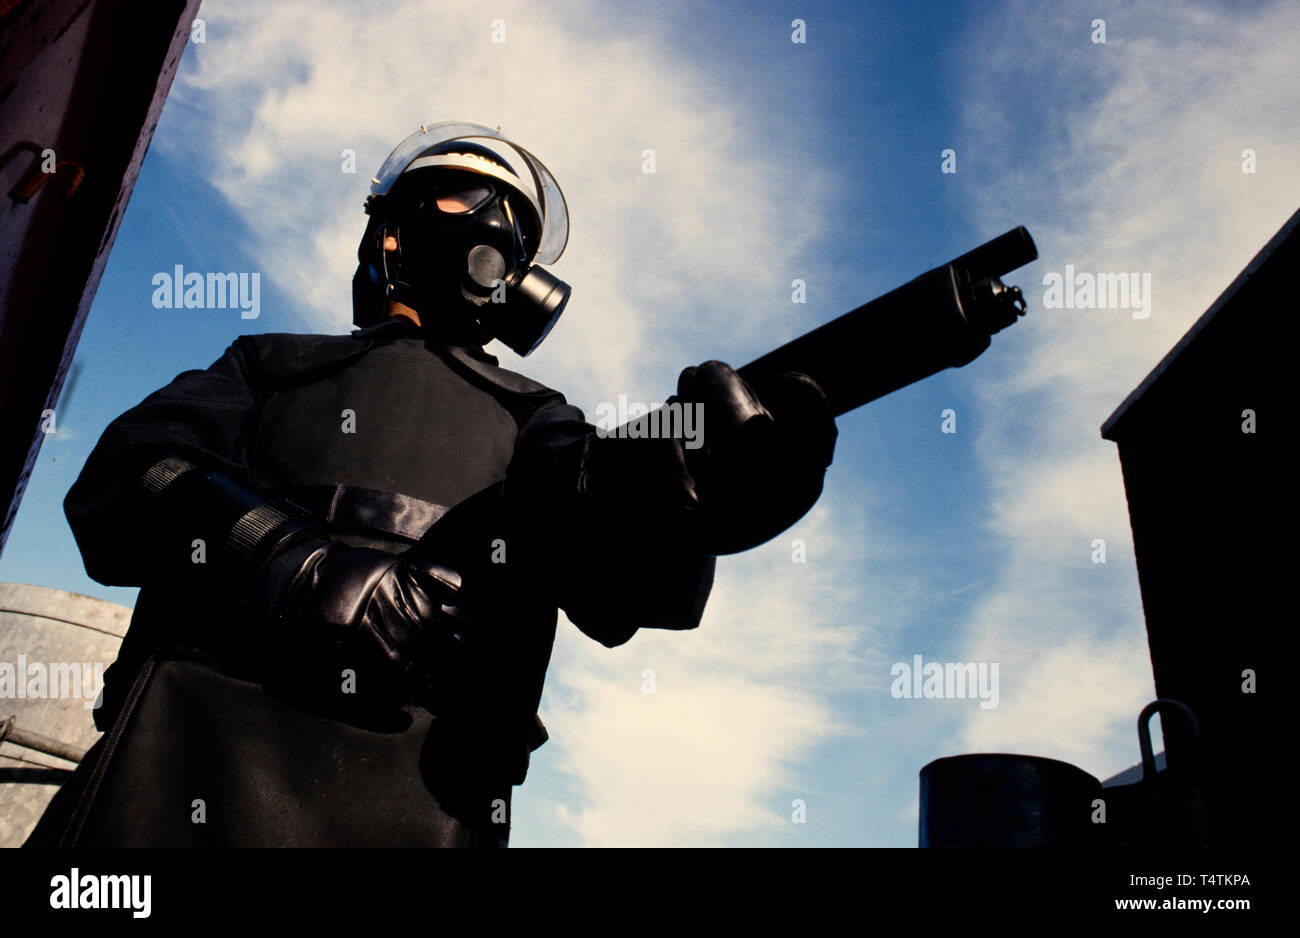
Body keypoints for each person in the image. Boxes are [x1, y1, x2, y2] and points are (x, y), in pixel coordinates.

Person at [25, 122, 837, 847]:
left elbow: (620, 577)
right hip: (169, 777)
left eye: (513, 223)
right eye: (470, 199)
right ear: (393, 236)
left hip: (427, 810)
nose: (498, 233)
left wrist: (695, 495)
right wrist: (289, 563)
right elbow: (129, 480)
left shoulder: (542, 423)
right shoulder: (271, 365)